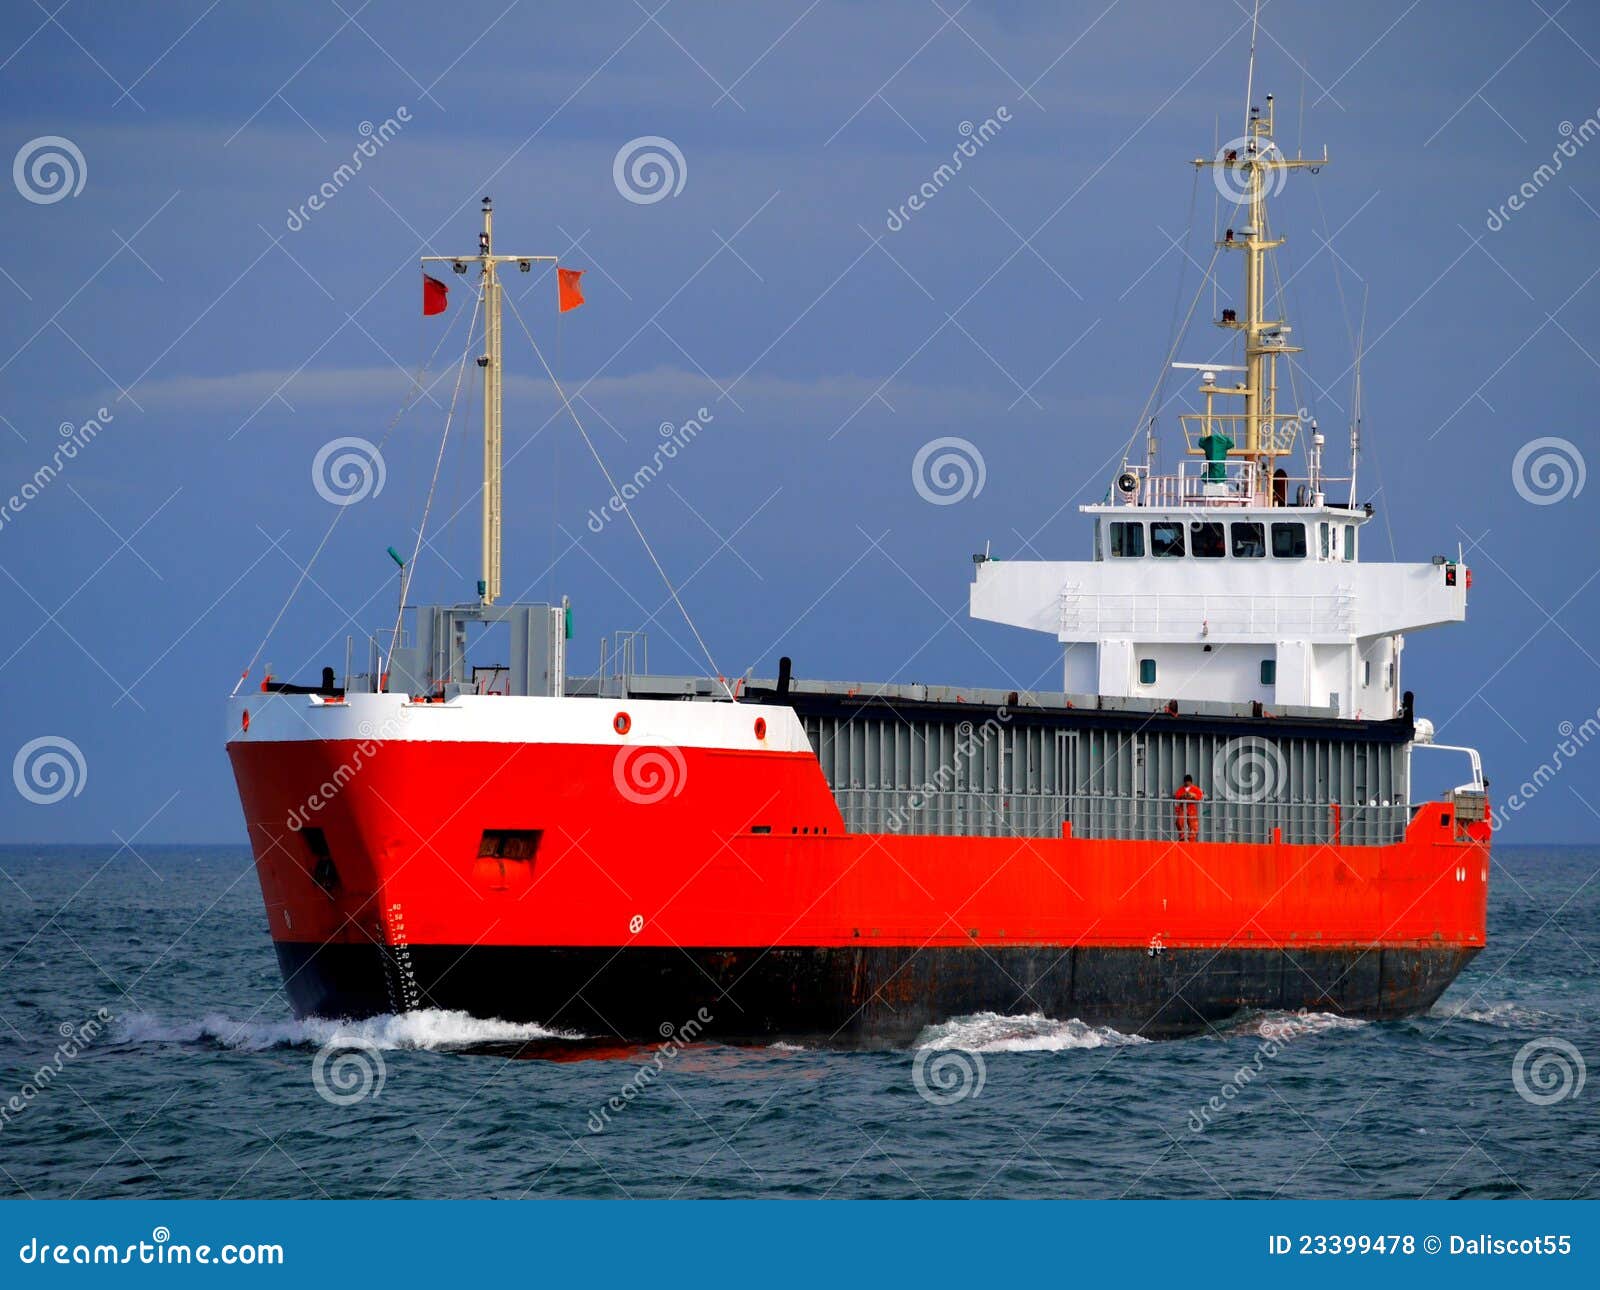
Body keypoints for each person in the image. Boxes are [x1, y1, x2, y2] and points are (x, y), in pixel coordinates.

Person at [1174, 774, 1204, 842]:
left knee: (1193, 824)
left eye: (1188, 782)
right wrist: (1183, 796)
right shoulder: (1181, 789)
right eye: (1186, 782)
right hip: (1183, 807)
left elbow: (1200, 796)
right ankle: (1182, 837)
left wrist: (1193, 796)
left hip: (1191, 808)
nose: (1187, 783)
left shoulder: (1195, 789)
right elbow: (1177, 796)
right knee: (1179, 822)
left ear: (1190, 782)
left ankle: (1192, 840)